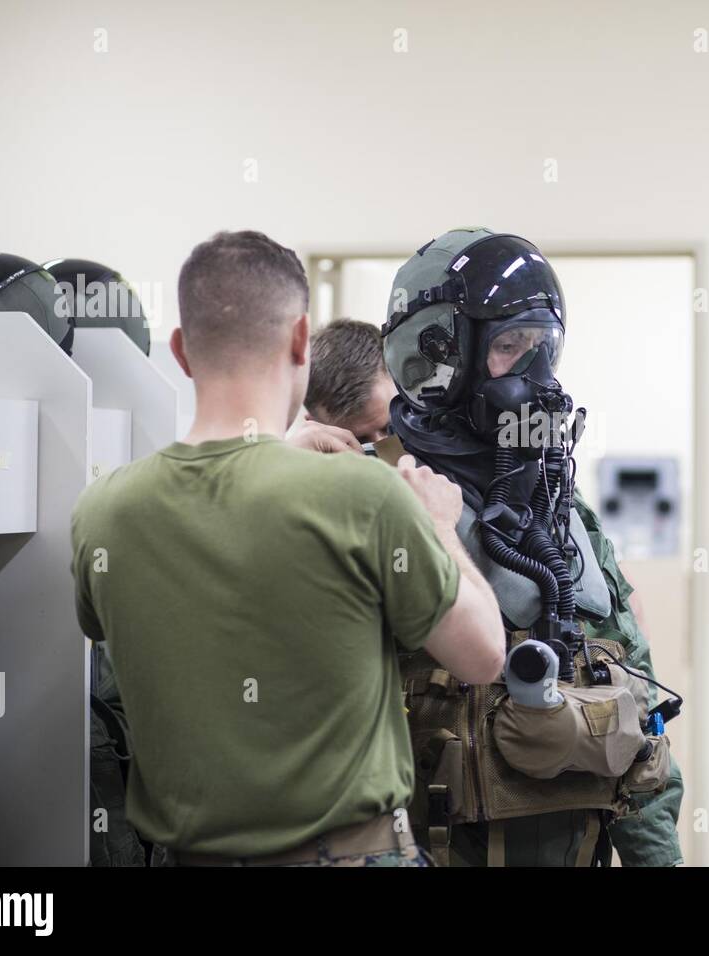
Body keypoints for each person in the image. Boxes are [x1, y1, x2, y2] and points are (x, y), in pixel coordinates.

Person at [70, 230, 505, 867]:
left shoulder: (102, 511)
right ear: (302, 340)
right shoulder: (363, 494)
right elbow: (482, 655)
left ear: (182, 352)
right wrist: (438, 524)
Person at [310, 227, 685, 867]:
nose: (535, 375)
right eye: (510, 346)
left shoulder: (569, 518)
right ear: (438, 355)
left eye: (544, 349)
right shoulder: (375, 498)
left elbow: (643, 728)